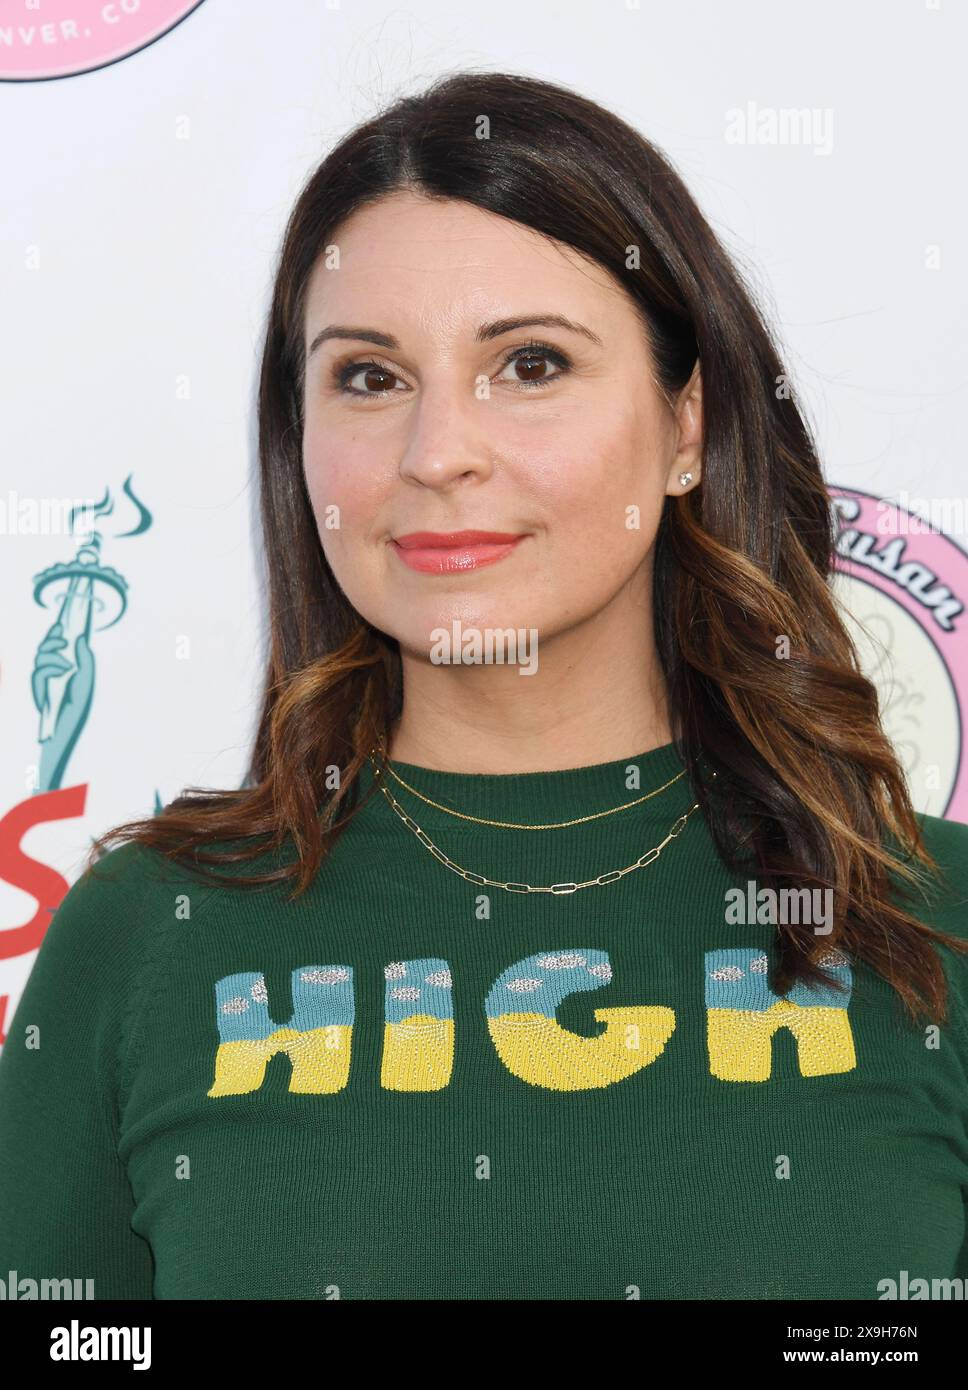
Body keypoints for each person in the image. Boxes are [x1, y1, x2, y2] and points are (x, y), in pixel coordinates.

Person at [1, 69, 966, 1303]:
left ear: (683, 428)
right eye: (369, 376)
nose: (436, 453)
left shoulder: (933, 925)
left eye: (528, 364)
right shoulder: (144, 938)